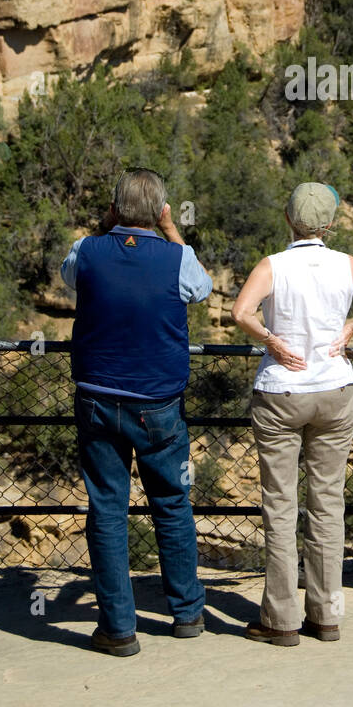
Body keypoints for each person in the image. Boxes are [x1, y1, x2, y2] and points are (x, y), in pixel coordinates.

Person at [232, 182, 353, 646]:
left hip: (281, 392)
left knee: (280, 505)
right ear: (331, 224)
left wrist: (272, 341)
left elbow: (241, 313)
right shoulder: (345, 265)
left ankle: (280, 620)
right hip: (335, 390)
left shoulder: (272, 266)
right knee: (327, 504)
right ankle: (326, 615)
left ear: (287, 218)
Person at [61, 168, 212, 656]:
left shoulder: (87, 251)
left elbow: (69, 277)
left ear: (114, 208)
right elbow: (203, 289)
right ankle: (187, 612)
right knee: (171, 502)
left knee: (107, 508)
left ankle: (118, 628)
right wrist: (171, 232)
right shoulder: (177, 258)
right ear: (163, 211)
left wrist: (107, 228)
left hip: (97, 397)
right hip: (159, 401)